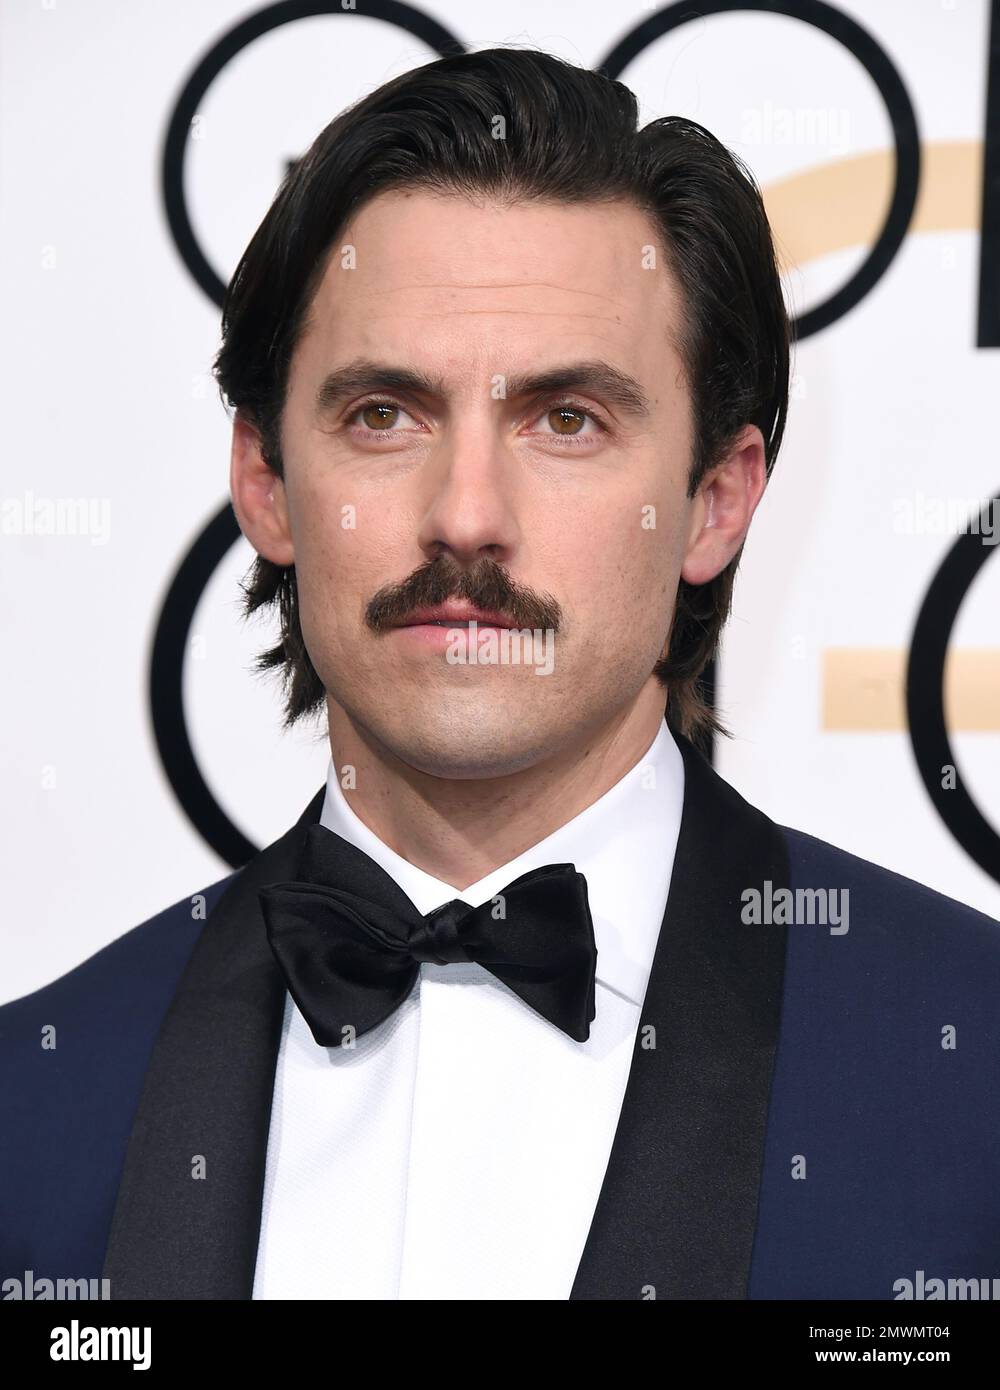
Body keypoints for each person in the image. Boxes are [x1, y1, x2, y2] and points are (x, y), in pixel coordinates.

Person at [3, 46, 999, 1303]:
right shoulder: (36, 1110)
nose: (466, 515)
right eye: (384, 414)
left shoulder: (972, 1077)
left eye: (566, 418)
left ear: (713, 500)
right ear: (265, 482)